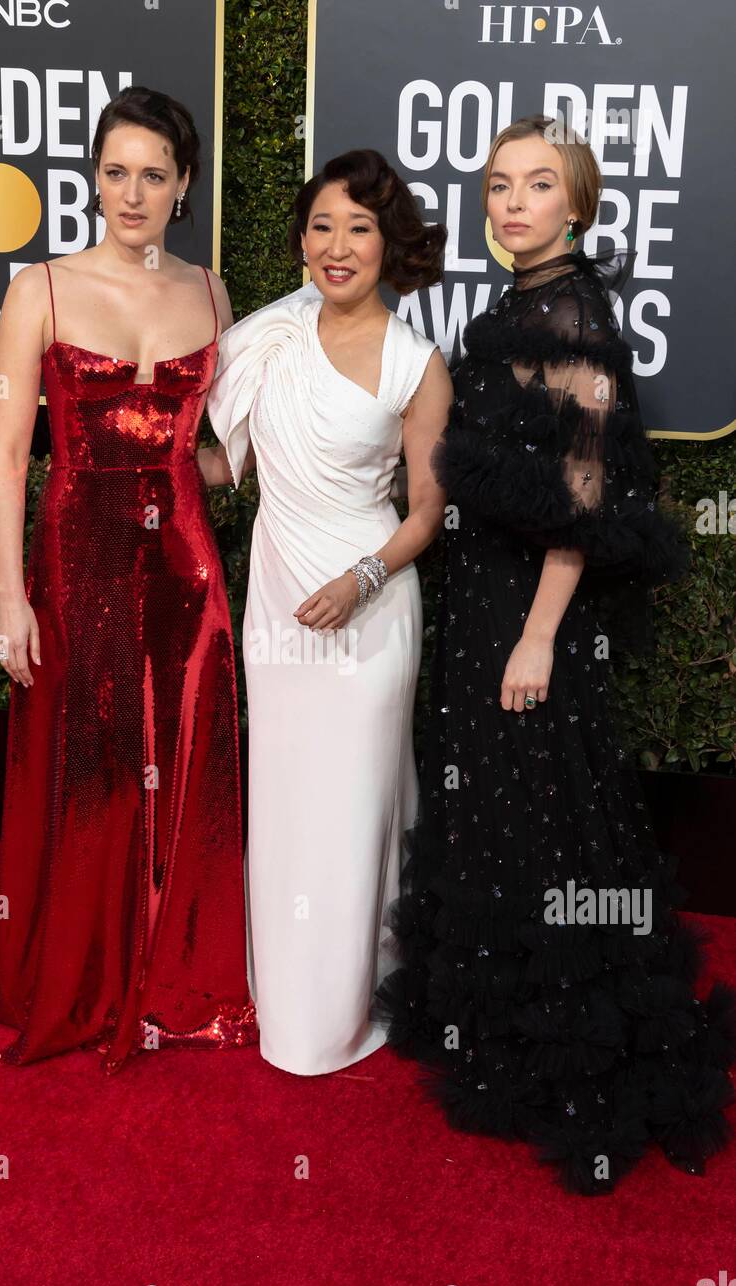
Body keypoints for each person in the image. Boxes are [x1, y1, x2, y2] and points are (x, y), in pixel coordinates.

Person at [375, 115, 736, 1193]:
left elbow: (582, 502)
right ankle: (497, 1024)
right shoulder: (514, 306)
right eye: (497, 186)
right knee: (495, 808)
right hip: (485, 596)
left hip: (532, 611)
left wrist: (536, 635)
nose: (511, 203)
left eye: (536, 186)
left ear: (574, 205)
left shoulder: (572, 314)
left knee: (543, 812)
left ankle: (562, 1050)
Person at [0, 87, 257, 1073]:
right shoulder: (37, 287)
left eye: (153, 175)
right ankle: (76, 969)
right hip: (73, 567)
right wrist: (7, 595)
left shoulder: (211, 295)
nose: (131, 192)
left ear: (183, 186)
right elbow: (4, 455)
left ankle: (168, 977)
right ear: (93, 177)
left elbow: (211, 450)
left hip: (184, 575)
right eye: (115, 171)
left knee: (181, 772)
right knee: (87, 768)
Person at [201, 150, 452, 1074]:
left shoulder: (418, 364)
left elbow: (427, 513)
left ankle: (351, 1005)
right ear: (302, 238)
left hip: (369, 602)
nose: (337, 248)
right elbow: (228, 467)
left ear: (391, 244)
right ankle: (288, 996)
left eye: (359, 228)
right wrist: (132, 462)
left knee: (354, 805)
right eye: (322, 227)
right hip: (276, 595)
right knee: (287, 796)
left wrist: (362, 580)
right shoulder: (270, 336)